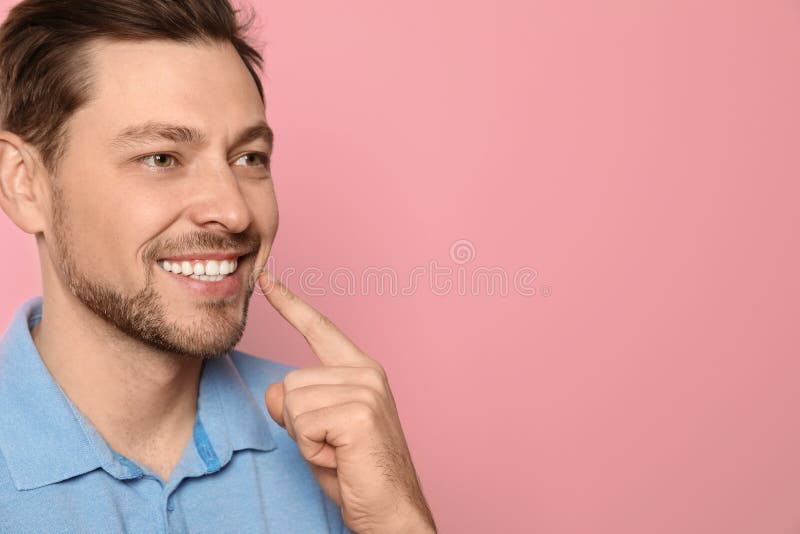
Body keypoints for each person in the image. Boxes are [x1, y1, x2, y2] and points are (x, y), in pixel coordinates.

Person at [0, 1, 437, 532]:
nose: (234, 212)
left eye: (249, 158)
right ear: (24, 184)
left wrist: (399, 517)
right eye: (162, 158)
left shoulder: (336, 443)